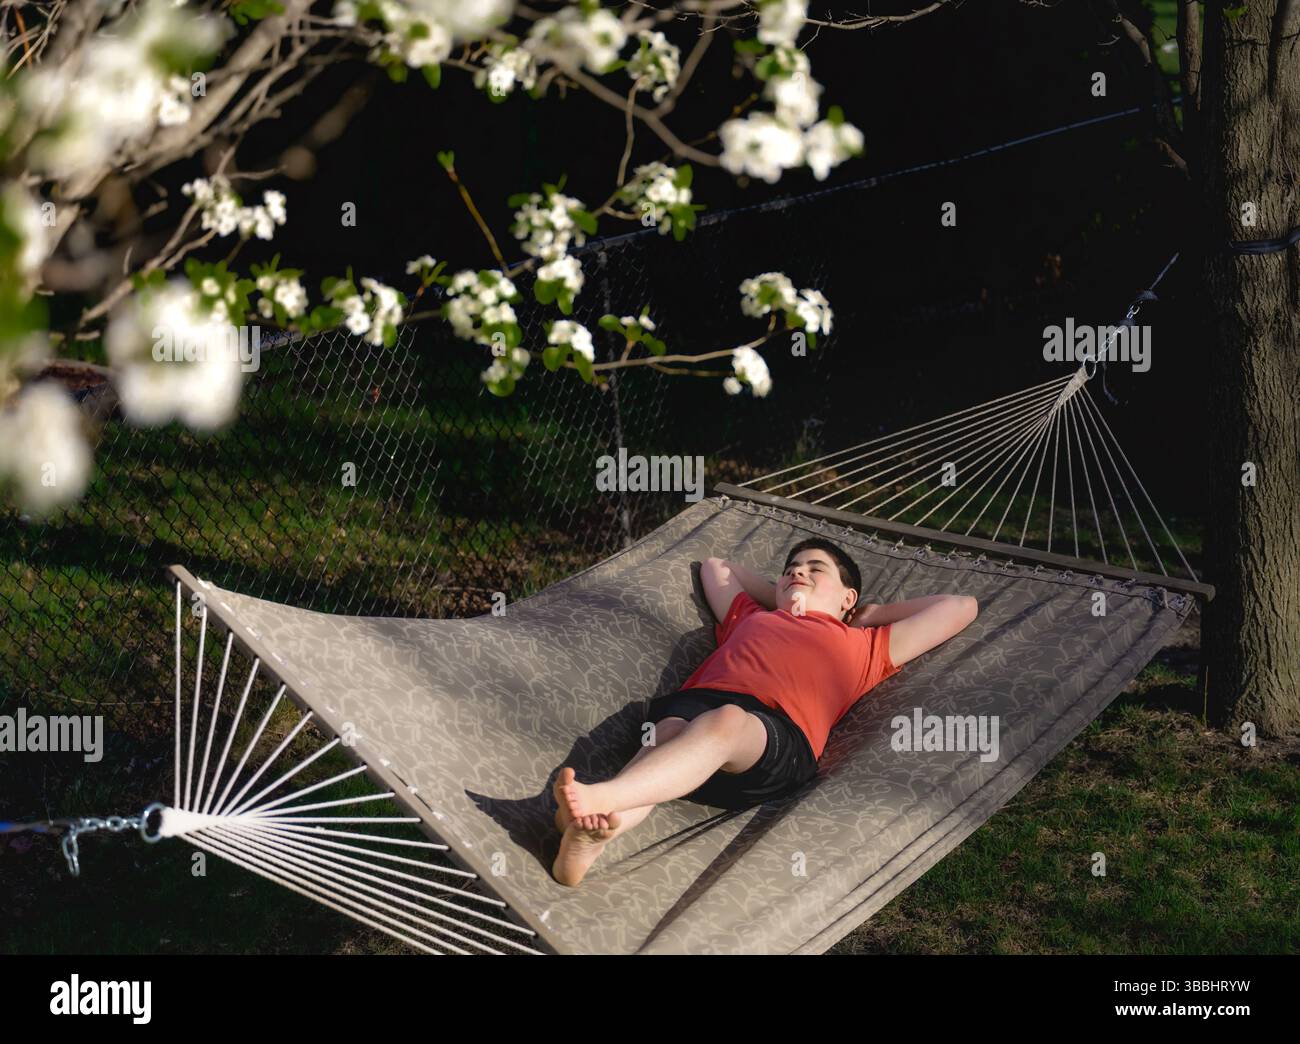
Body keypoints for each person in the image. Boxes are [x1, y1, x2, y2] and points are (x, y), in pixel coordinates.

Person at [551, 536, 979, 886]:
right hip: (693, 720)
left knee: (727, 722)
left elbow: (962, 607)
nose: (798, 571)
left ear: (848, 596)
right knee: (665, 735)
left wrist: (869, 614)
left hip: (776, 741)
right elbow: (716, 566)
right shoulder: (750, 616)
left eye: (815, 569)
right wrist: (782, 597)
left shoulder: (867, 646)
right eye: (791, 567)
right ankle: (596, 832)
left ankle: (606, 794)